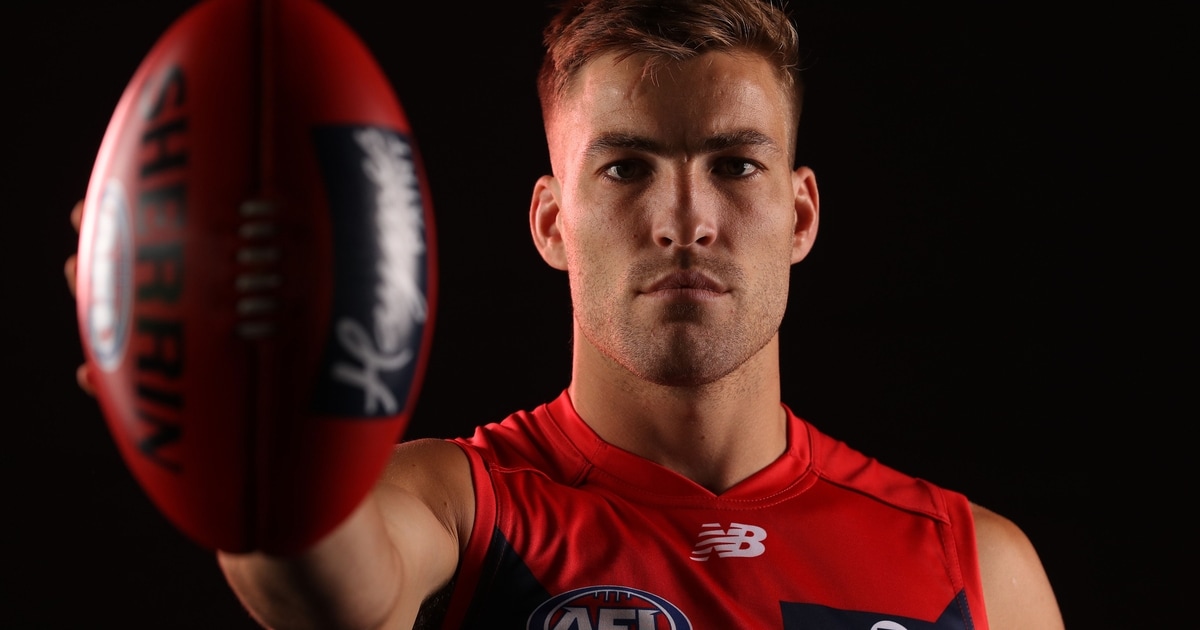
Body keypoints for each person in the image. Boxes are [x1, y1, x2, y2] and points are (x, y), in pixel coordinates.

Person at [66, 0, 1065, 628]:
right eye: (627, 167)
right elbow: (321, 586)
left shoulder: (975, 570)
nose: (686, 221)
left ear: (800, 213)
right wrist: (233, 421)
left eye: (735, 164)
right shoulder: (463, 510)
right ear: (551, 221)